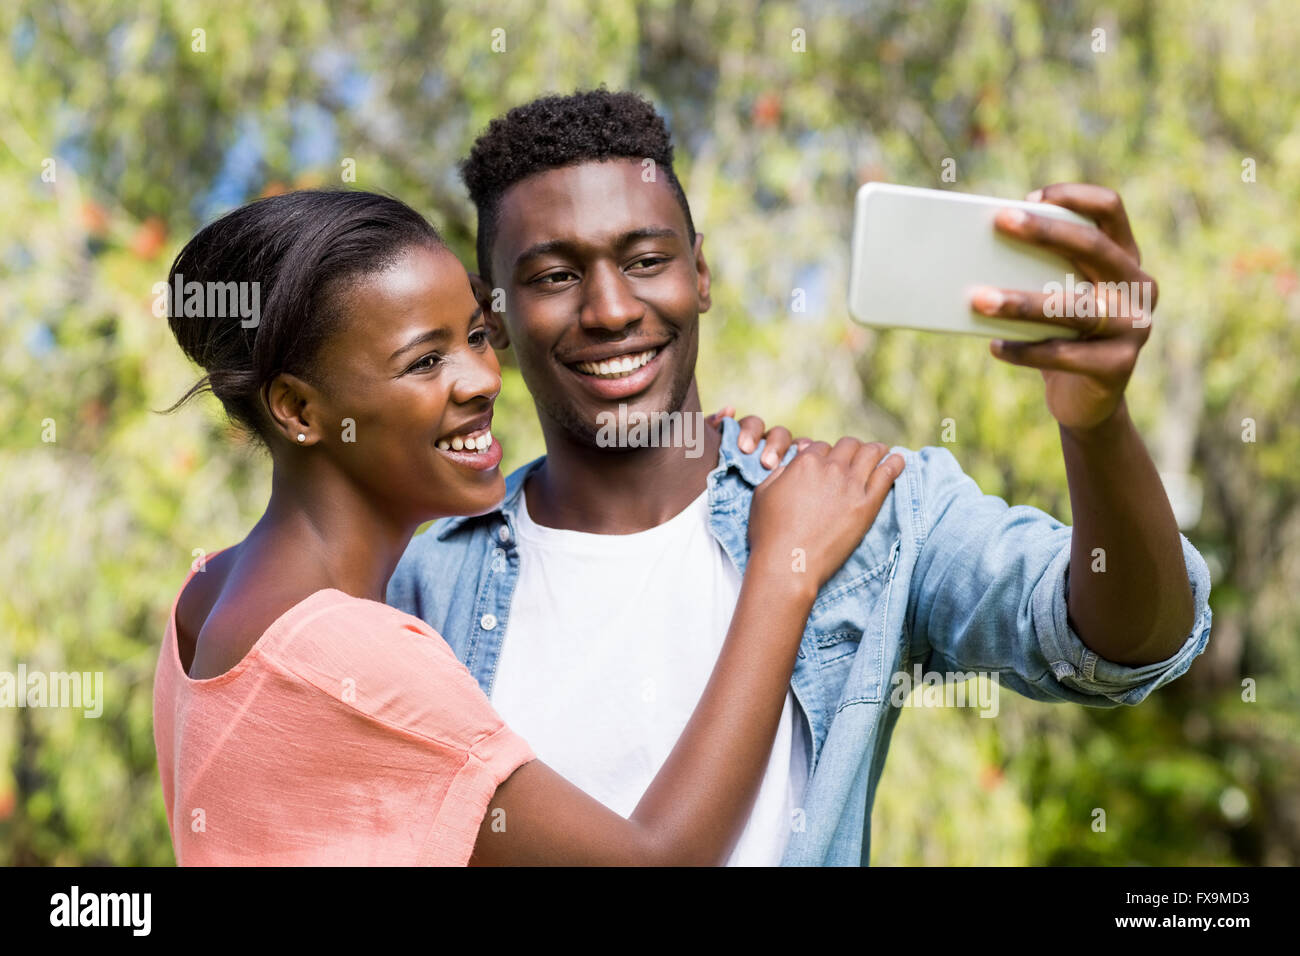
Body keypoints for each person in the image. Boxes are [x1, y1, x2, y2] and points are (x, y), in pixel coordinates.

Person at [387, 89, 1215, 866]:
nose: (609, 309)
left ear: (700, 274)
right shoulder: (423, 587)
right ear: (491, 311)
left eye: (645, 259)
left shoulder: (865, 514)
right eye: (555, 277)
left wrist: (1098, 424)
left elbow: (1128, 644)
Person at [152, 188, 905, 865]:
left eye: (476, 336)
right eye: (424, 362)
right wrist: (786, 568)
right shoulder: (348, 652)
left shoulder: (206, 596)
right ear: (299, 411)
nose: (482, 381)